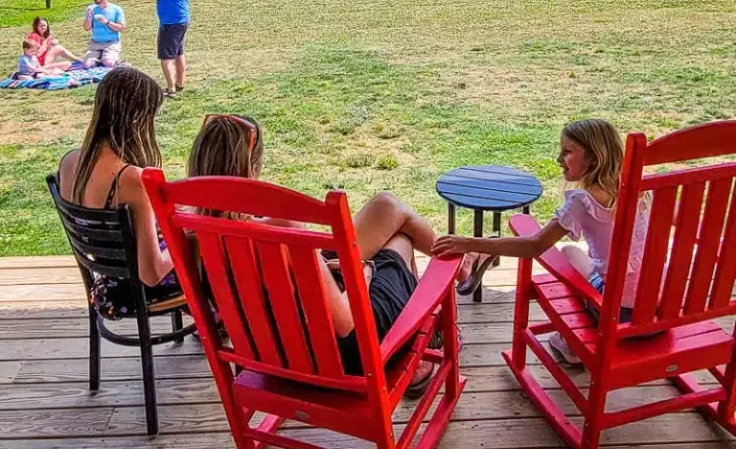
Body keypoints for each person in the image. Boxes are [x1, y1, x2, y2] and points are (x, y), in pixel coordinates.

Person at [187, 114, 466, 391]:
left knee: (386, 206)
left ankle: (462, 271)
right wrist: (363, 274)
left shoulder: (188, 234)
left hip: (268, 355)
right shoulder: (281, 230)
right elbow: (344, 323)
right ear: (253, 169)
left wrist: (324, 270)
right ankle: (416, 349)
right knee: (400, 242)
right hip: (336, 360)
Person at [433, 119, 652, 366]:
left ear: (594, 158)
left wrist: (469, 243)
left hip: (619, 316)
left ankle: (570, 343)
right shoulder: (645, 189)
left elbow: (534, 246)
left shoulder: (584, 201)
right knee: (572, 252)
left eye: (568, 151)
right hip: (659, 309)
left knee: (567, 260)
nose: (559, 159)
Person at [58, 67, 181, 318]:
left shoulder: (70, 163)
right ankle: (219, 330)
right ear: (137, 118)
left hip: (104, 283)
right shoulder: (130, 178)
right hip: (131, 291)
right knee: (214, 256)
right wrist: (187, 240)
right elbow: (152, 273)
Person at [149, 0, 189, 98]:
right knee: (179, 53)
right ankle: (180, 83)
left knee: (166, 57)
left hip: (170, 23)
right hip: (181, 19)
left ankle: (171, 88)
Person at [82, 0, 126, 68]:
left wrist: (107, 22)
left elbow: (122, 27)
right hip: (95, 43)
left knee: (109, 63)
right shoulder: (91, 9)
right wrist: (89, 17)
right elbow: (86, 28)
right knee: (86, 65)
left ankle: (111, 59)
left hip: (111, 43)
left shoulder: (116, 9)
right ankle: (101, 57)